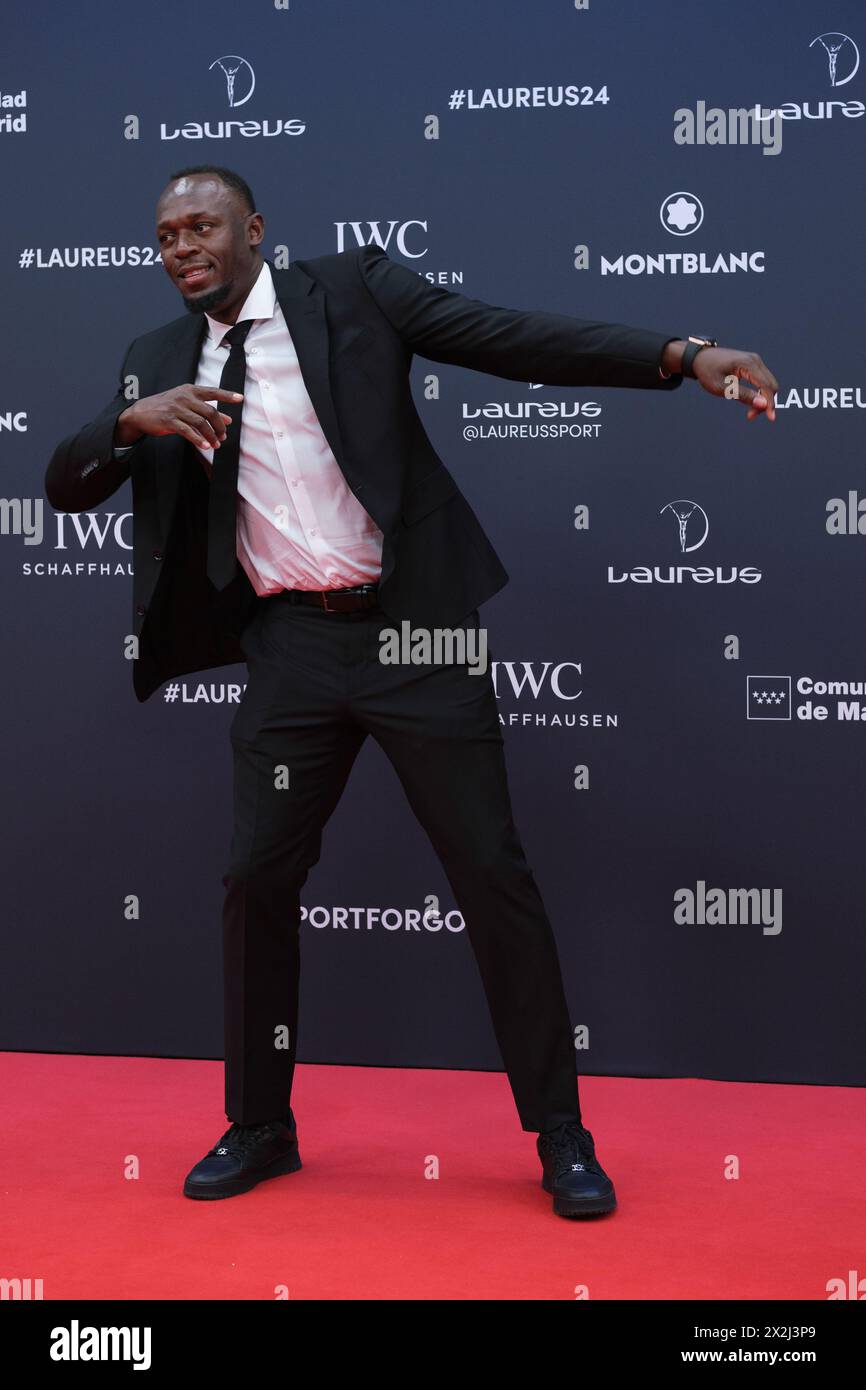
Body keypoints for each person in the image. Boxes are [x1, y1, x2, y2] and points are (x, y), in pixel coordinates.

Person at [45, 164, 778, 1218]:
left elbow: (510, 337)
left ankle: (560, 1132)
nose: (179, 247)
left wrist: (679, 354)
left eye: (199, 225)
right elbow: (63, 482)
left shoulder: (353, 290)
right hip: (291, 645)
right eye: (163, 235)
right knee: (255, 878)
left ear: (253, 229)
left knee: (490, 871)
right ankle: (259, 1124)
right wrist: (131, 422)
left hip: (413, 631)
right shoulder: (155, 362)